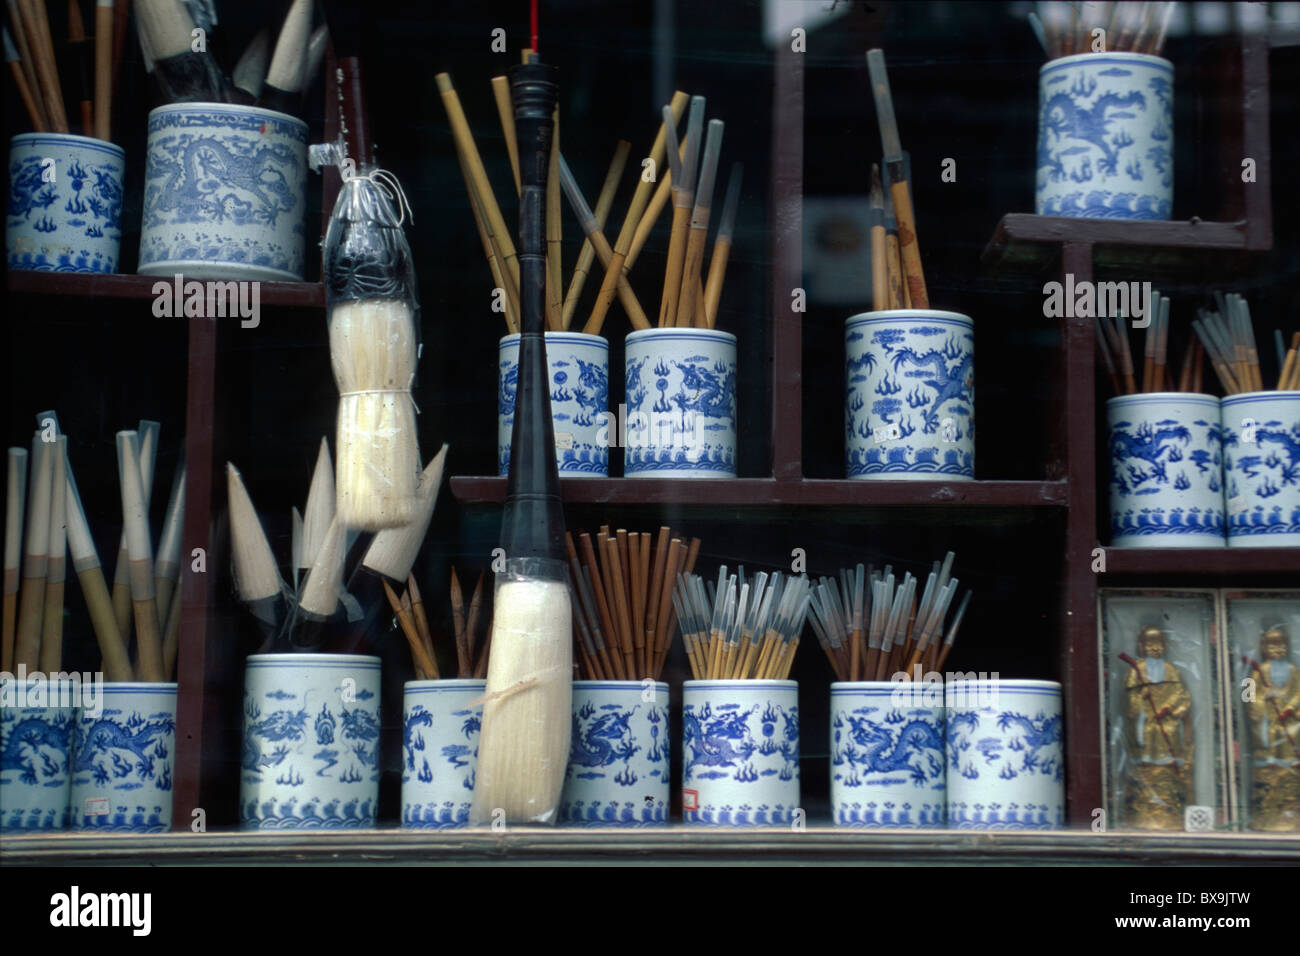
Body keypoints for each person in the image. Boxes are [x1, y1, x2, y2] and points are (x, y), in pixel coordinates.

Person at [1124, 624, 1192, 830]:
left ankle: (1170, 805)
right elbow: (1130, 701)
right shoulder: (1136, 670)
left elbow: (1182, 695)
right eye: (1150, 644)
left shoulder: (1172, 670)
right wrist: (1141, 697)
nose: (1155, 648)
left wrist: (1171, 708)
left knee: (1170, 732)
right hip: (1145, 721)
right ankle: (1144, 806)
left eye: (1158, 643)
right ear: (1142, 646)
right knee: (1145, 733)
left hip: (1167, 721)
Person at [1245, 625, 1300, 831]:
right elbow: (1246, 695)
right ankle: (1265, 809)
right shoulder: (1256, 671)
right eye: (1273, 645)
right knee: (1266, 739)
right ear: (1264, 647)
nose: (1278, 649)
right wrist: (1262, 701)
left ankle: (1291, 811)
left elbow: (1298, 693)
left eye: (1282, 645)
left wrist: (1290, 707)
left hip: (1289, 721)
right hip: (1267, 718)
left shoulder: (1294, 671)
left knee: (1293, 737)